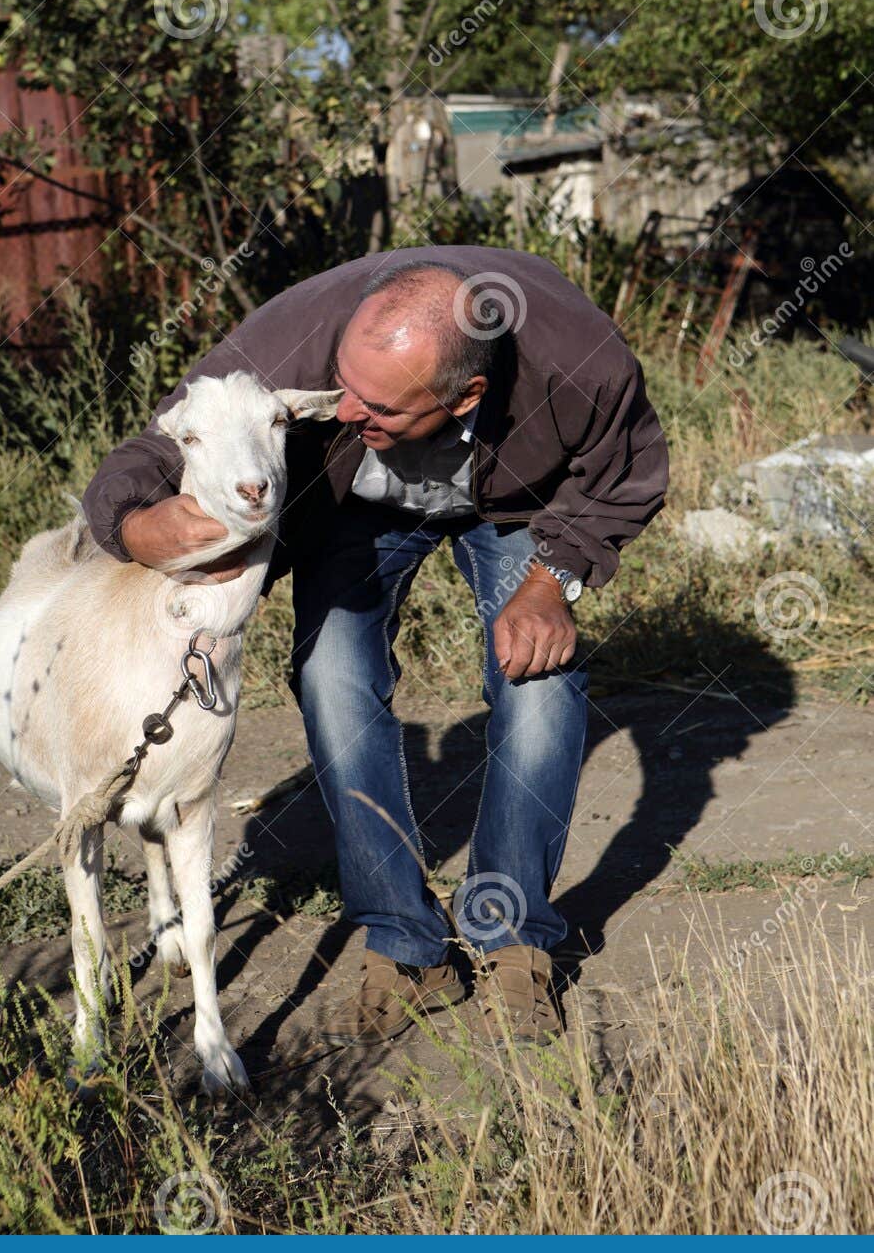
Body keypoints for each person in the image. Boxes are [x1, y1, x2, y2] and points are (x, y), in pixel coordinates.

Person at [82, 247, 668, 1046]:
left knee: (539, 680)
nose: (346, 408)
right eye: (342, 390)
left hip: (513, 506)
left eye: (378, 407)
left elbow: (621, 474)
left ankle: (512, 939)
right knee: (331, 674)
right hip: (355, 508)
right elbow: (150, 452)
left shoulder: (579, 363)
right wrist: (133, 523)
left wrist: (551, 581)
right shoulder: (293, 343)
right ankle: (405, 945)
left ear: (468, 392)